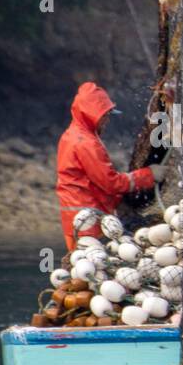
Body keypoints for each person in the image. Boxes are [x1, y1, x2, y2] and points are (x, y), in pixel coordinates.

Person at [56, 82, 157, 251]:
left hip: (76, 220)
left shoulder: (71, 135)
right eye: (105, 115)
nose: (107, 120)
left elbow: (94, 182)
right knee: (89, 268)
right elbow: (110, 183)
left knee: (81, 267)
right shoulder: (86, 144)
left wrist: (117, 202)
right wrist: (149, 176)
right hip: (88, 222)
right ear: (92, 114)